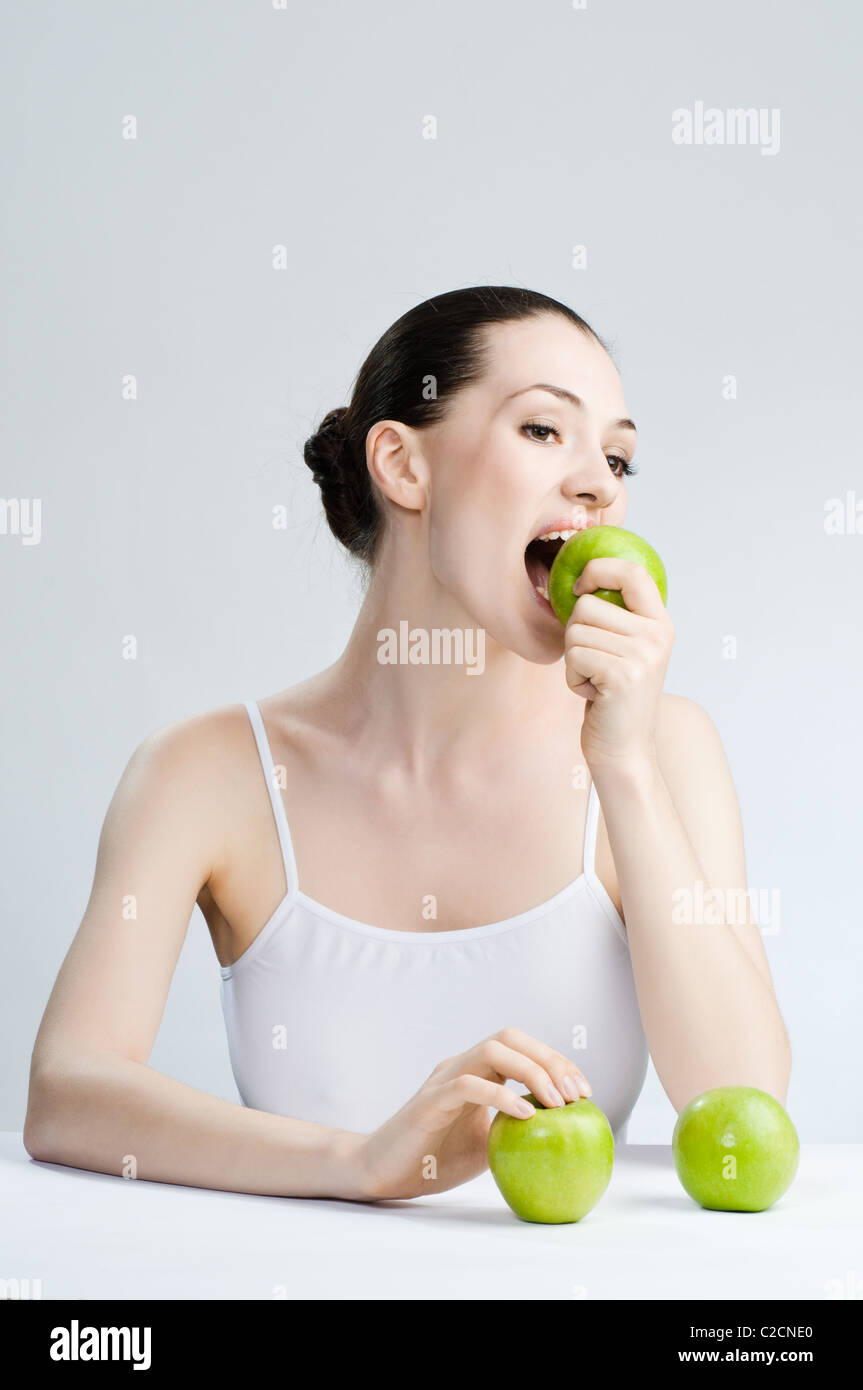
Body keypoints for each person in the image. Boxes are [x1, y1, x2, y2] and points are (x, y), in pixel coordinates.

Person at [24, 286, 791, 1203]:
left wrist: (622, 766)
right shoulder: (204, 773)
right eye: (544, 431)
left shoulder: (665, 746)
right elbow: (67, 1094)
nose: (599, 483)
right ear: (401, 465)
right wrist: (362, 1164)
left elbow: (740, 1105)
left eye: (618, 456)